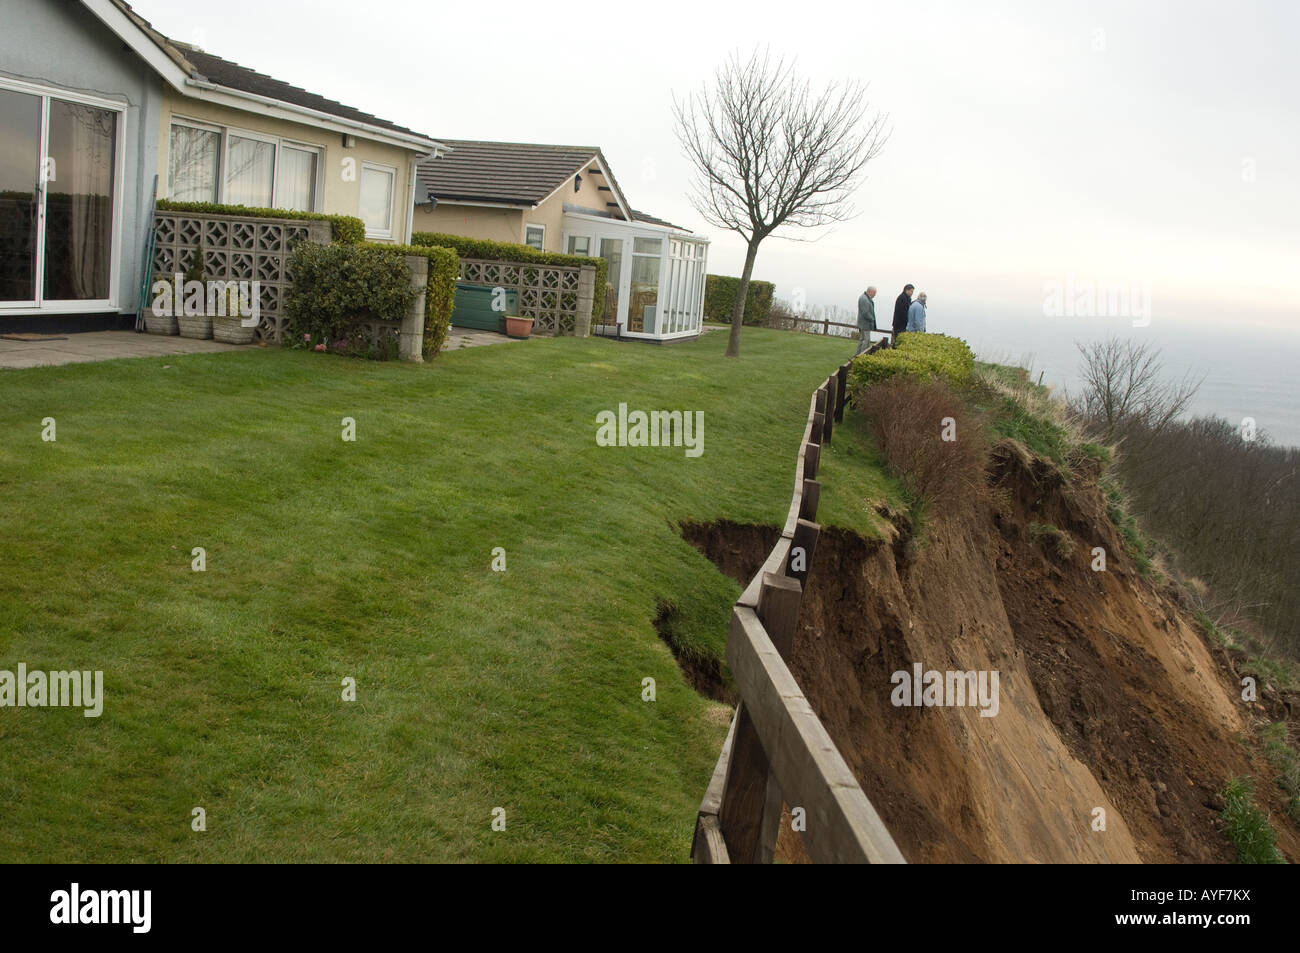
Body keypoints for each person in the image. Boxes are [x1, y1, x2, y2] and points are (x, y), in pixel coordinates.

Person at [855, 286, 877, 355]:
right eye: (874, 293)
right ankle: (862, 355)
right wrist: (872, 319)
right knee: (866, 340)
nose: (875, 295)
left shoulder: (866, 298)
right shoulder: (864, 299)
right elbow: (865, 312)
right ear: (870, 291)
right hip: (864, 324)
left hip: (865, 324)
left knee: (863, 339)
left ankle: (858, 354)